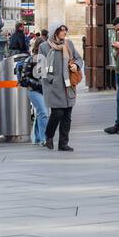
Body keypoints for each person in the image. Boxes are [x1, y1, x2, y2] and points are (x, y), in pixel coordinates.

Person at [38, 23, 84, 151]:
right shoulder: (44, 46)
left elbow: (78, 59)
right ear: (55, 32)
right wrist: (50, 79)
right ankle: (49, 135)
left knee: (67, 115)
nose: (64, 32)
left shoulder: (69, 44)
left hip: (68, 85)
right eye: (62, 30)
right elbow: (41, 67)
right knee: (57, 113)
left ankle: (63, 143)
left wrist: (76, 66)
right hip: (53, 86)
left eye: (65, 30)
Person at [17, 35, 50, 146]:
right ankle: (43, 139)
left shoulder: (48, 60)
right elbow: (24, 78)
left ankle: (37, 138)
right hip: (34, 90)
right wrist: (39, 85)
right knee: (44, 113)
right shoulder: (30, 59)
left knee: (41, 114)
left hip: (45, 91)